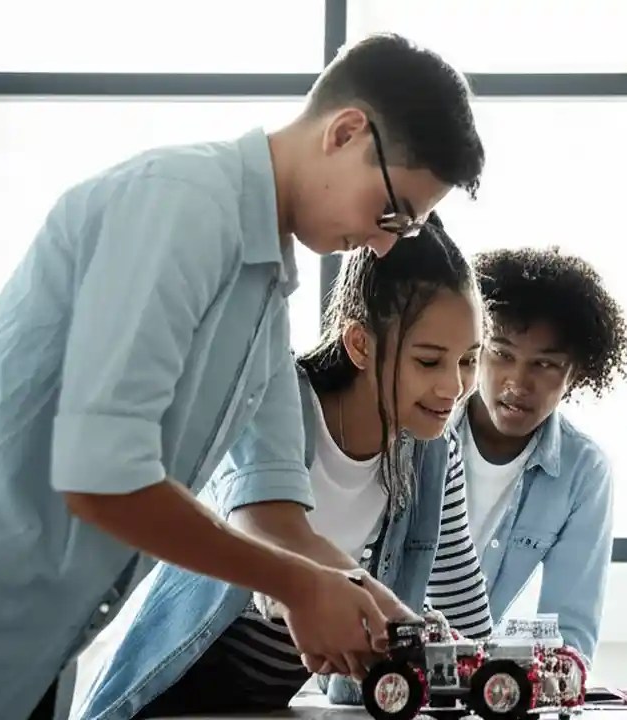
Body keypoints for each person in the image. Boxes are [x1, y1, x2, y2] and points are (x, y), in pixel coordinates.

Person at [0, 32, 483, 720]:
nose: (385, 243)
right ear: (346, 132)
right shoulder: (184, 206)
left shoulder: (265, 287)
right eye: (391, 212)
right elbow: (101, 477)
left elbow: (271, 509)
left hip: (34, 653)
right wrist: (300, 588)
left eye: (407, 229)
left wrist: (376, 608)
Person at [76, 220, 490, 718]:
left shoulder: (428, 455)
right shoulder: (277, 401)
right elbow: (271, 531)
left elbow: (461, 594)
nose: (453, 387)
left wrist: (487, 670)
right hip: (163, 695)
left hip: (263, 707)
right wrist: (402, 620)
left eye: (469, 361)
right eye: (429, 362)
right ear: (360, 344)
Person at [453, 246, 627, 662]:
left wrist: (549, 678)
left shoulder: (583, 472)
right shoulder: (421, 435)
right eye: (501, 355)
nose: (518, 381)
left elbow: (570, 634)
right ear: (476, 348)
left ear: (577, 373)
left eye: (545, 365)